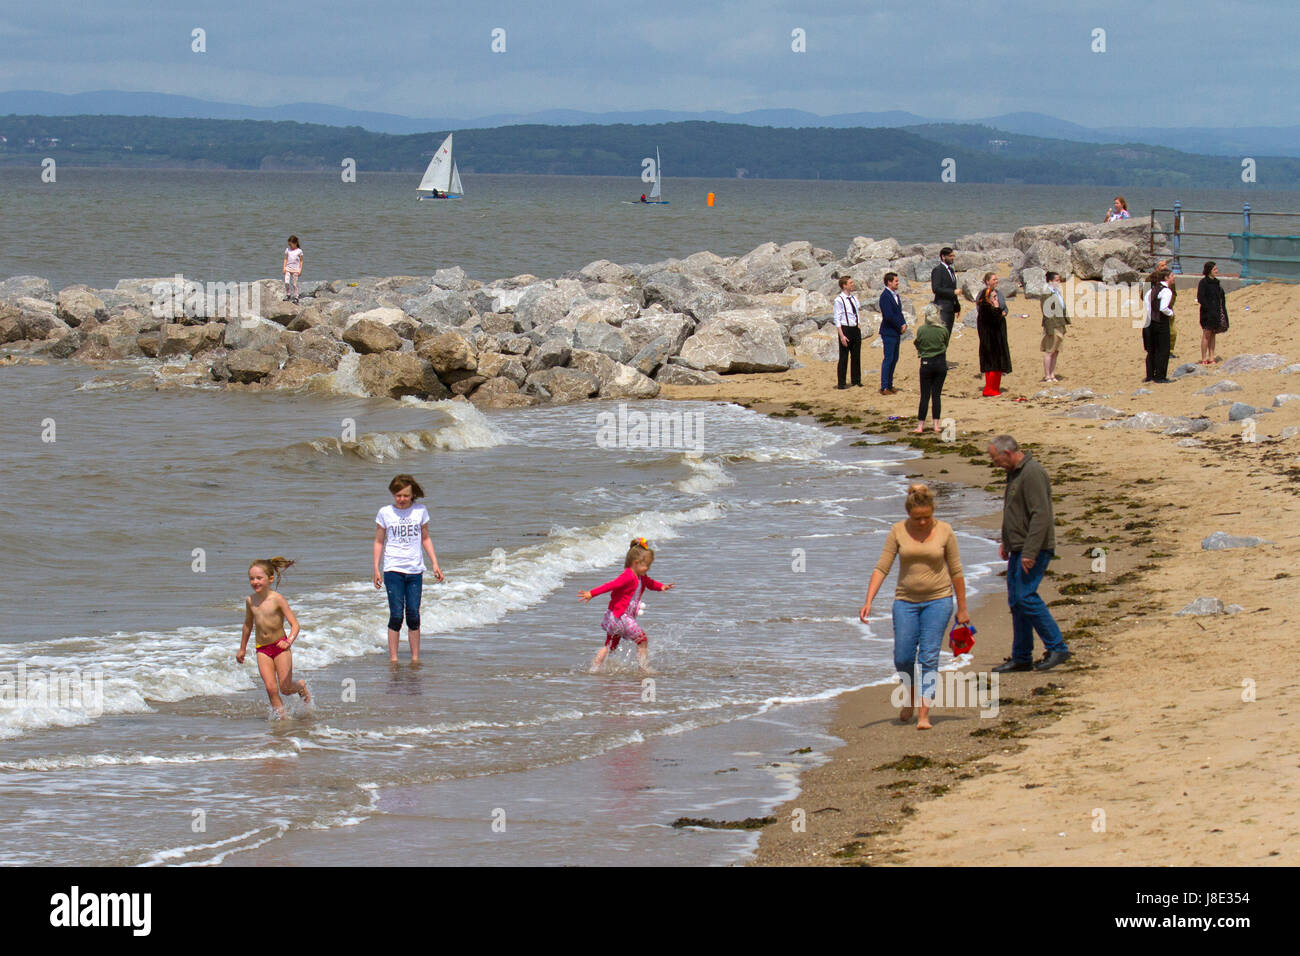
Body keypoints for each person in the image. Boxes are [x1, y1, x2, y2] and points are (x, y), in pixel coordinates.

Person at [859, 484, 970, 729]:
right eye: (917, 518)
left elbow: (957, 571)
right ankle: (909, 695)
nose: (922, 523)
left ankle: (923, 713)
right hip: (905, 602)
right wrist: (868, 601)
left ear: (933, 512)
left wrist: (962, 608)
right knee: (903, 657)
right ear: (908, 513)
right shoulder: (898, 531)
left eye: (927, 517)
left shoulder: (945, 531)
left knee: (929, 656)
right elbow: (882, 567)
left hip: (939, 601)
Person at [987, 436, 1071, 672]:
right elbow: (1013, 511)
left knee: (1025, 597)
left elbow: (1040, 515)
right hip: (1017, 546)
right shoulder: (1014, 473)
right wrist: (1007, 541)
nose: (996, 464)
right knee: (1016, 602)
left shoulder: (1033, 473)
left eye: (996, 459)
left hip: (1034, 548)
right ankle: (1021, 656)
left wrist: (1030, 552)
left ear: (1008, 452)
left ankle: (1058, 647)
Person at [373, 473, 444, 664]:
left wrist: (435, 563)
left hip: (414, 570)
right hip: (393, 569)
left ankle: (414, 659)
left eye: (405, 495)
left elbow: (426, 538)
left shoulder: (420, 511)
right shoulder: (385, 512)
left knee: (413, 614)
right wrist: (376, 569)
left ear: (412, 495)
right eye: (398, 495)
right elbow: (379, 541)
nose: (401, 499)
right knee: (396, 614)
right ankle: (394, 659)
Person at [580, 537, 675, 673]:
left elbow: (650, 583)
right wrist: (591, 593)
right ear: (636, 563)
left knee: (609, 646)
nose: (647, 569)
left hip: (615, 617)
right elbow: (610, 585)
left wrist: (661, 587)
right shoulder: (628, 576)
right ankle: (643, 668)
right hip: (621, 617)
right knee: (642, 640)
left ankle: (594, 669)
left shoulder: (641, 576)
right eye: (646, 565)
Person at [237, 556, 311, 717]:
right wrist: (242, 649)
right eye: (251, 578)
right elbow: (248, 625)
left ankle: (300, 686)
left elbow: (295, 625)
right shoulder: (250, 600)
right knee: (271, 688)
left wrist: (288, 642)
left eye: (259, 578)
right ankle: (282, 719)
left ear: (270, 579)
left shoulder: (277, 599)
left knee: (285, 689)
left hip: (280, 646)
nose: (255, 582)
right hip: (262, 649)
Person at [913, 303, 949, 433]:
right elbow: (945, 344)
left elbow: (918, 343)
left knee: (924, 396)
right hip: (940, 363)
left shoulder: (921, 330)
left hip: (926, 363)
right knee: (936, 395)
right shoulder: (943, 330)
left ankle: (920, 426)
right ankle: (936, 425)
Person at [976, 272, 1011, 396]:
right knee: (991, 364)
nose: (997, 281)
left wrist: (1001, 311)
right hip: (990, 339)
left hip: (997, 337)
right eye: (994, 279)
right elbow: (992, 319)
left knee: (998, 365)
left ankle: (994, 389)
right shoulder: (985, 305)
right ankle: (989, 389)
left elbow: (1004, 308)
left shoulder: (998, 295)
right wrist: (996, 309)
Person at [878, 271, 907, 395]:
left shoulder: (895, 295)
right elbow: (888, 315)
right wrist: (899, 326)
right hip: (889, 331)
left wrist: (904, 323)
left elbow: (898, 312)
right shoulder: (885, 296)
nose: (897, 283)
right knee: (888, 359)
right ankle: (884, 386)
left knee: (894, 358)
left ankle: (890, 384)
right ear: (889, 282)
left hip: (896, 331)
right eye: (895, 281)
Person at [833, 275, 863, 389]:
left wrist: (858, 325)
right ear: (844, 285)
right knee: (844, 357)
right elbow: (837, 319)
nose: (852, 284)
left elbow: (857, 312)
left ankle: (856, 380)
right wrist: (841, 335)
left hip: (855, 328)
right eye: (850, 283)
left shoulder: (854, 298)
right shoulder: (839, 300)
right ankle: (841, 383)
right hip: (845, 329)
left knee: (856, 356)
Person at [1144, 268, 1174, 383]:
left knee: (1152, 350)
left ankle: (1150, 375)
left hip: (1150, 322)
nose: (1173, 277)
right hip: (1161, 323)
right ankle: (1160, 376)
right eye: (1171, 275)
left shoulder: (1151, 290)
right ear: (1166, 278)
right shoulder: (1166, 291)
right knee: (1163, 350)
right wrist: (1171, 313)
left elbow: (1147, 306)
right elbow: (1163, 308)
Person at [1040, 271, 1070, 382]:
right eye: (1057, 280)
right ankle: (1047, 375)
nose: (1059, 282)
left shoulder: (1056, 292)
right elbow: (1046, 312)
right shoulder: (1047, 293)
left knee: (1056, 351)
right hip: (1052, 325)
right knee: (1049, 350)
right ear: (1050, 281)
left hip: (1059, 324)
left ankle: (1052, 374)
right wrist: (1049, 329)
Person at [1197, 260, 1227, 365]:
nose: (1216, 271)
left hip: (1216, 312)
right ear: (1209, 270)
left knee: (1213, 334)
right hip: (1207, 313)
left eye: (1216, 269)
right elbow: (1201, 298)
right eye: (1214, 269)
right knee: (1206, 334)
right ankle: (1204, 358)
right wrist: (1209, 308)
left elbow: (1221, 298)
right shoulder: (1203, 282)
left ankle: (1211, 357)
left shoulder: (1217, 282)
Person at [930, 247, 961, 335]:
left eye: (953, 256)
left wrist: (957, 306)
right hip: (942, 308)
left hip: (951, 307)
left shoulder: (950, 270)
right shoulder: (938, 270)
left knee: (947, 334)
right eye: (950, 256)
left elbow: (952, 287)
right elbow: (936, 289)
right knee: (942, 334)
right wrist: (952, 292)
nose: (952, 258)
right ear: (943, 257)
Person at [282, 235, 303, 304]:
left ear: (295, 243)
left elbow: (301, 261)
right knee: (286, 282)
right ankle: (288, 294)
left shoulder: (299, 251)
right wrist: (284, 267)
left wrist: (300, 270)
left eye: (291, 244)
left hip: (295, 270)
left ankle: (296, 297)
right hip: (288, 268)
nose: (290, 246)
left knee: (294, 284)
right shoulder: (287, 250)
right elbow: (285, 259)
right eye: (289, 244)